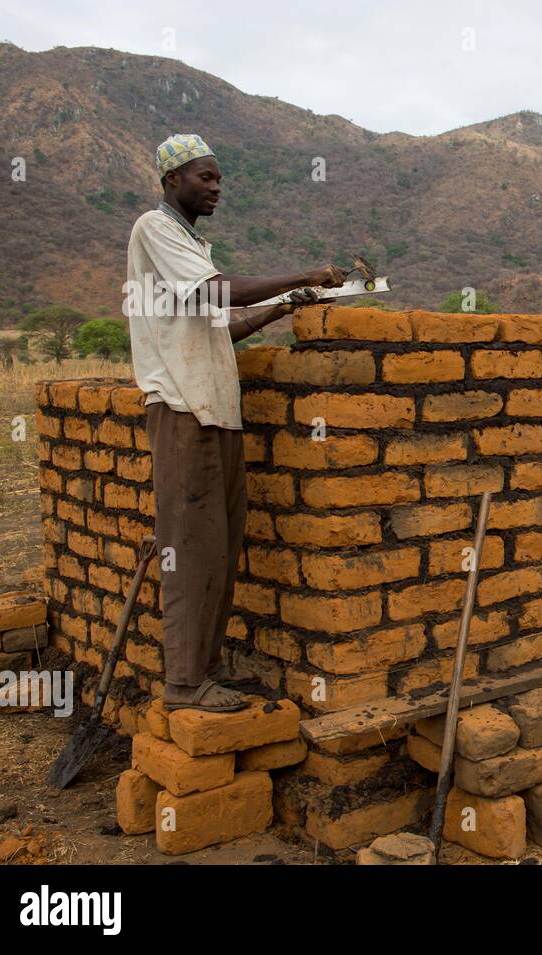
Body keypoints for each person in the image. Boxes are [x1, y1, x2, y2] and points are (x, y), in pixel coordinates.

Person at [126, 133, 345, 711]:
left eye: (220, 178)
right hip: (182, 409)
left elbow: (217, 324)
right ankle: (183, 685)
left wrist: (287, 303)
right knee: (192, 548)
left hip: (216, 412)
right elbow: (215, 294)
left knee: (219, 548)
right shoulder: (155, 228)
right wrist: (309, 274)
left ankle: (206, 670)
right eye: (206, 177)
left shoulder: (190, 243)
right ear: (173, 180)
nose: (217, 187)